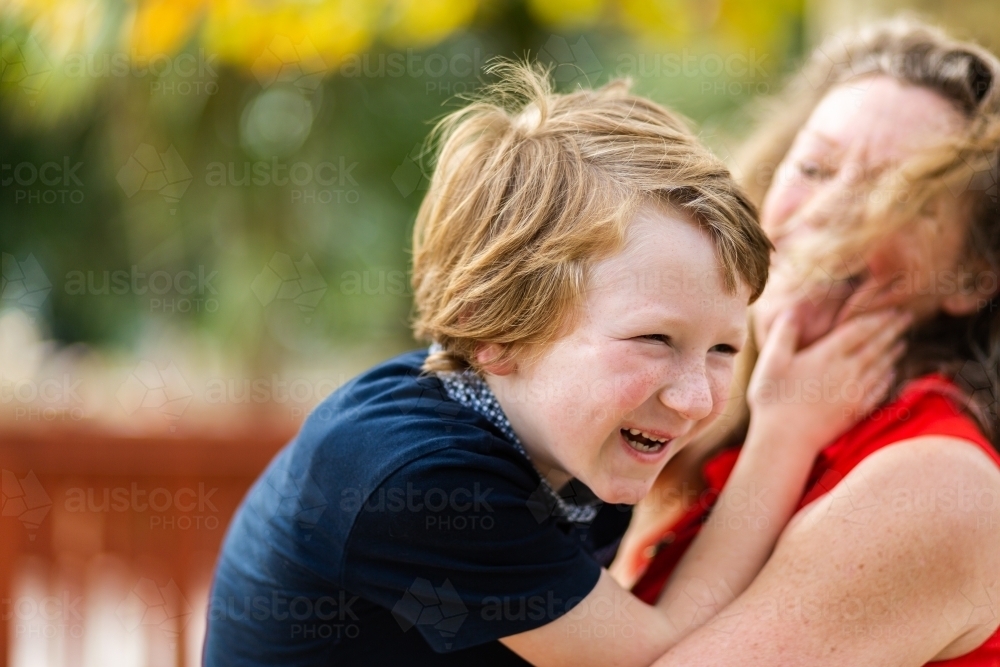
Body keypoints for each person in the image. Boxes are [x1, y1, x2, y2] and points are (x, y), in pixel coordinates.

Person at [202, 62, 905, 666]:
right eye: (654, 340)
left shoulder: (560, 425)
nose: (696, 397)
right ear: (492, 329)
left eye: (725, 347)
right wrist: (785, 429)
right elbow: (656, 653)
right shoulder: (418, 481)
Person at [616, 18, 1000, 666]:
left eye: (896, 193)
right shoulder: (712, 416)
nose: (827, 210)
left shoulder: (938, 481)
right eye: (815, 166)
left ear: (970, 274)